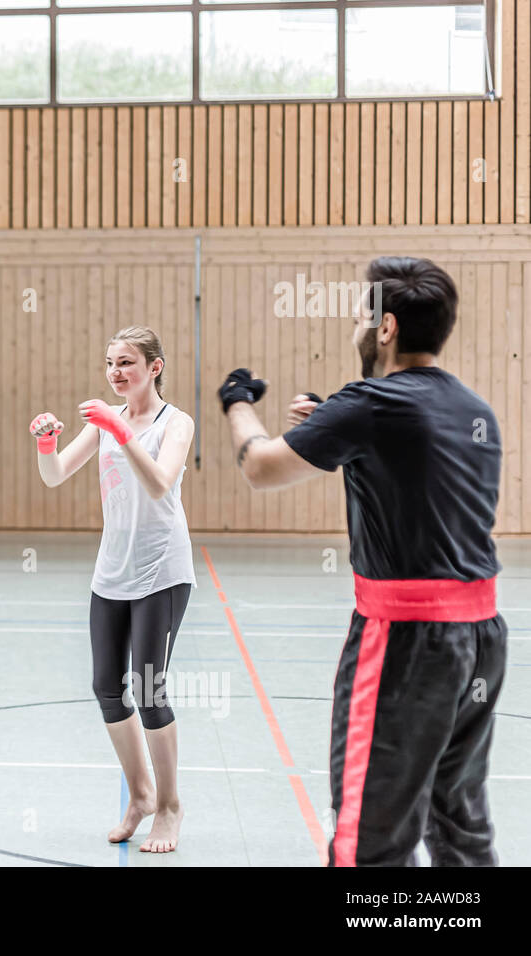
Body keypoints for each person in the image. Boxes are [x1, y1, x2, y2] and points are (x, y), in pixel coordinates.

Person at [218, 256, 507, 866]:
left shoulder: (370, 403)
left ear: (386, 329)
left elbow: (260, 467)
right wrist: (337, 427)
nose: (354, 327)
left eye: (359, 318)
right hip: (481, 638)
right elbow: (418, 475)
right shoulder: (475, 411)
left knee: (370, 836)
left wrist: (237, 403)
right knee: (459, 823)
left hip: (405, 641)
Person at [30, 326, 197, 853]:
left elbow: (160, 482)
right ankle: (141, 795)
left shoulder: (177, 424)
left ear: (155, 367)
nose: (116, 372)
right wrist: (45, 443)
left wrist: (119, 433)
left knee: (149, 692)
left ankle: (170, 808)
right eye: (109, 363)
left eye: (127, 362)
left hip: (161, 571)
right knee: (107, 686)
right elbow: (54, 476)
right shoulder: (108, 423)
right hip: (112, 571)